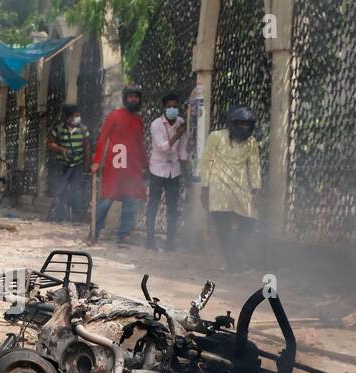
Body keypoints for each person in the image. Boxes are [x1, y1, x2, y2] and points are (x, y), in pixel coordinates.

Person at [200, 106, 263, 271]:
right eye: (241, 123)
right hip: (218, 185)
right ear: (233, 124)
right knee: (223, 225)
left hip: (241, 186)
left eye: (247, 124)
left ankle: (233, 251)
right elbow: (207, 161)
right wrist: (204, 187)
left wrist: (256, 189)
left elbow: (254, 166)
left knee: (251, 219)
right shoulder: (216, 137)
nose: (244, 127)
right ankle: (232, 263)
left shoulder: (252, 142)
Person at [90, 85, 148, 245]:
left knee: (130, 202)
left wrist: (145, 164)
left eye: (136, 97)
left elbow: (140, 144)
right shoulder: (114, 116)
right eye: (131, 96)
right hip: (115, 168)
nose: (134, 99)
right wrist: (97, 161)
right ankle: (94, 231)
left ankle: (124, 236)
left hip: (132, 169)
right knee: (106, 200)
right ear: (125, 98)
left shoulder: (139, 121)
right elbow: (103, 138)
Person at [146, 91, 190, 251]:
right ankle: (149, 240)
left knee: (173, 207)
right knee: (153, 204)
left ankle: (170, 242)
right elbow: (163, 148)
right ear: (164, 107)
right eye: (169, 106)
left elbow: (183, 149)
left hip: (174, 171)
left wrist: (186, 167)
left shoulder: (181, 122)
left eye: (175, 107)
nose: (172, 109)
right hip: (157, 169)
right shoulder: (156, 124)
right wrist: (177, 135)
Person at [46, 103, 89, 223]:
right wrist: (62, 150)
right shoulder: (59, 129)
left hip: (77, 165)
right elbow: (50, 143)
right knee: (60, 191)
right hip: (62, 166)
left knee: (76, 191)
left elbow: (87, 146)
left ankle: (76, 218)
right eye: (76, 115)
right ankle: (59, 217)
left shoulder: (83, 129)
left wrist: (86, 164)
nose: (78, 117)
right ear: (68, 117)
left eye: (79, 115)